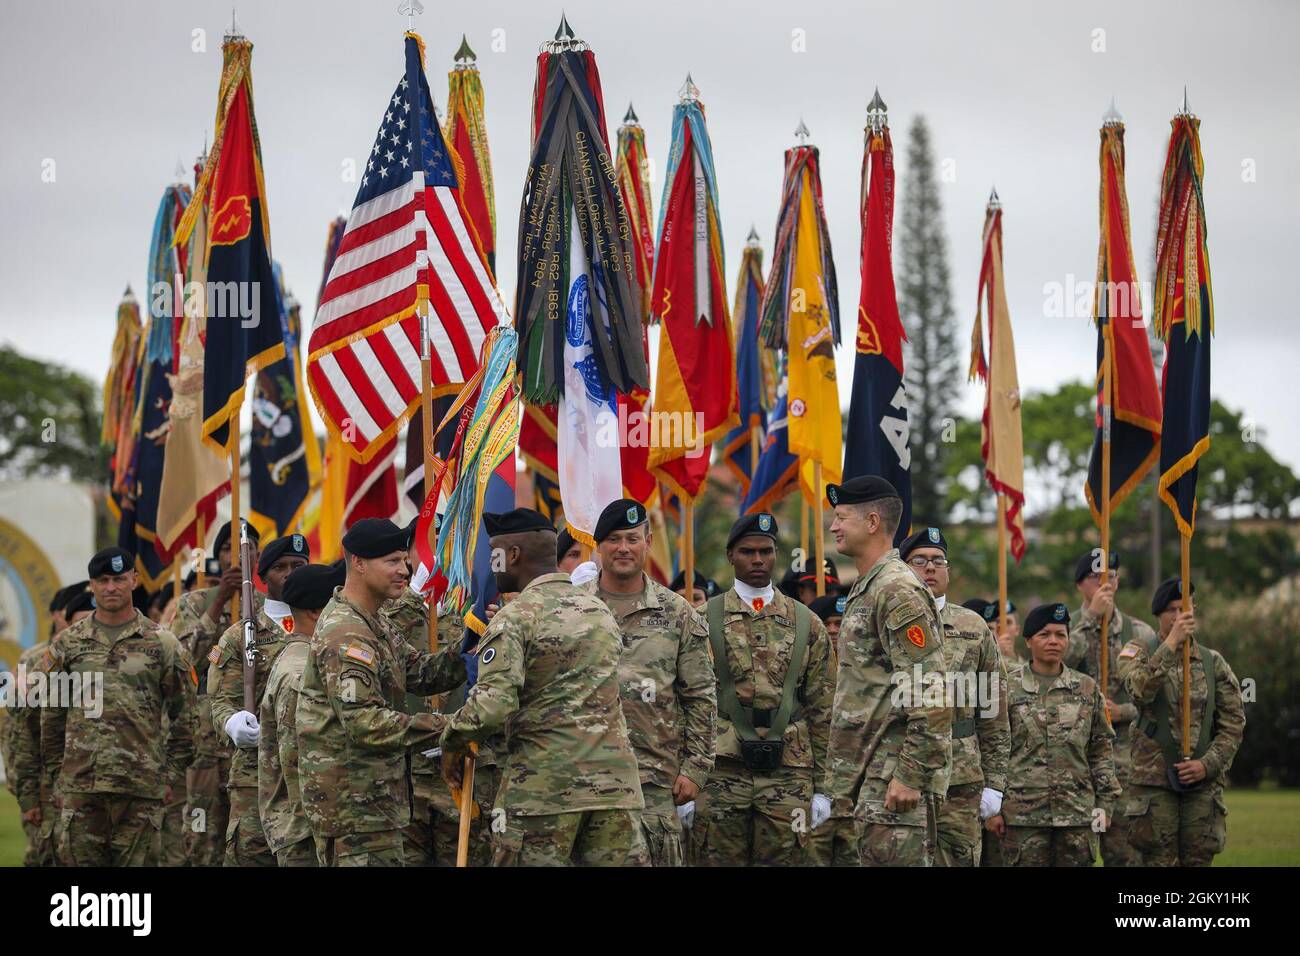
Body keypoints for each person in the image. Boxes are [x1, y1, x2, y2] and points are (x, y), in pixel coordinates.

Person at [438, 508, 649, 866]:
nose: (492, 565)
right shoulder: (597, 610)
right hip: (615, 789)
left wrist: (451, 741)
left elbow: (492, 706)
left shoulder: (516, 618)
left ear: (514, 555)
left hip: (544, 792)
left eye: (495, 555)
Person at [295, 518, 467, 866]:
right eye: (392, 561)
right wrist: (450, 726)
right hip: (352, 812)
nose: (405, 570)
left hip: (374, 804)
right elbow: (365, 722)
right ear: (358, 563)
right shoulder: (346, 631)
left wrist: (471, 648)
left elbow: (419, 672)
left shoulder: (375, 621)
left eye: (404, 560)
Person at [818, 477, 951, 867]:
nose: (833, 527)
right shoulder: (870, 586)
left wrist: (909, 775)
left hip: (891, 778)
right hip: (870, 776)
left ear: (872, 521)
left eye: (841, 518)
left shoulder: (896, 590)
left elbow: (932, 692)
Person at [36, 547, 198, 866]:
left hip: (141, 790)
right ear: (92, 586)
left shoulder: (161, 643)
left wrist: (169, 776)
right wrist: (59, 776)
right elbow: (51, 717)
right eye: (103, 580)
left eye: (119, 579)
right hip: (82, 788)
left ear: (134, 581)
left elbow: (186, 718)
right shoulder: (68, 644)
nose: (111, 587)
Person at [581, 498, 716, 867]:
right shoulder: (575, 609)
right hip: (583, 778)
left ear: (648, 541)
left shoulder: (677, 612)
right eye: (613, 539)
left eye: (632, 538)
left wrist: (695, 769)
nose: (623, 548)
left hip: (654, 781)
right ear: (598, 546)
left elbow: (700, 696)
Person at [694, 512, 835, 866]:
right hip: (721, 769)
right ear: (731, 555)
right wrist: (687, 778)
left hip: (789, 771)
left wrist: (823, 788)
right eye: (747, 551)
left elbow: (824, 707)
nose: (758, 560)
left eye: (766, 551)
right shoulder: (700, 619)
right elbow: (686, 704)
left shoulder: (806, 622)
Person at [380, 520, 495, 867]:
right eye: (431, 546)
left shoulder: (479, 611)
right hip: (405, 770)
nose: (441, 557)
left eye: (451, 546)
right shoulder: (386, 612)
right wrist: (415, 598)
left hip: (463, 765)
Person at [899, 527, 1010, 867]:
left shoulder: (973, 627)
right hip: (902, 773)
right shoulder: (888, 622)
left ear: (948, 570)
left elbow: (994, 710)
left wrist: (995, 783)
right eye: (919, 561)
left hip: (960, 777)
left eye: (938, 561)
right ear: (903, 569)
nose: (930, 568)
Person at [1116, 578, 1245, 866]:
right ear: (1158, 615)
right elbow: (1140, 690)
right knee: (1157, 861)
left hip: (1202, 785)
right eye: (1171, 611)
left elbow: (1233, 724)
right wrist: (1171, 642)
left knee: (1198, 860)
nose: (1178, 617)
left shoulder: (1213, 663)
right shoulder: (1137, 651)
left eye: (1184, 609)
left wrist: (1207, 764)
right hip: (1153, 785)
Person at [984, 603, 1120, 866]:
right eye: (1044, 635)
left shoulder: (1086, 688)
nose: (1053, 641)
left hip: (1078, 816)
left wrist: (1106, 805)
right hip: (1023, 818)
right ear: (1028, 641)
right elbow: (991, 750)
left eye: (1060, 635)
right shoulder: (1007, 688)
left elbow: (1101, 750)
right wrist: (992, 809)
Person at [207, 532, 309, 866]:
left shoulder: (325, 628)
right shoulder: (241, 635)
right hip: (256, 776)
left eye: (299, 565)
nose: (291, 573)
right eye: (281, 567)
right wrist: (231, 723)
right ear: (262, 577)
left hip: (312, 772)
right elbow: (220, 700)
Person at [170, 519, 261, 866]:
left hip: (252, 745)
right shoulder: (194, 603)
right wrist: (219, 600)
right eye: (227, 548)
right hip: (205, 745)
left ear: (258, 554)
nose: (236, 554)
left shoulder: (269, 606)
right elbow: (182, 660)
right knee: (203, 837)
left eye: (246, 546)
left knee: (248, 839)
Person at [1063, 548, 1153, 866]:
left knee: (1126, 854)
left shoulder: (1140, 633)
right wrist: (1089, 620)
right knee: (1074, 852)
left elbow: (1154, 699)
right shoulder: (1061, 628)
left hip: (1123, 765)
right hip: (1072, 765)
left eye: (1111, 576)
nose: (1106, 583)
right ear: (1079, 585)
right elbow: (1049, 668)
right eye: (1096, 577)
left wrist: (1123, 712)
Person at [258, 563, 342, 866]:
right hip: (304, 832)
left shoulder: (305, 658)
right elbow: (299, 765)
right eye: (338, 600)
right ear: (318, 612)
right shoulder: (299, 673)